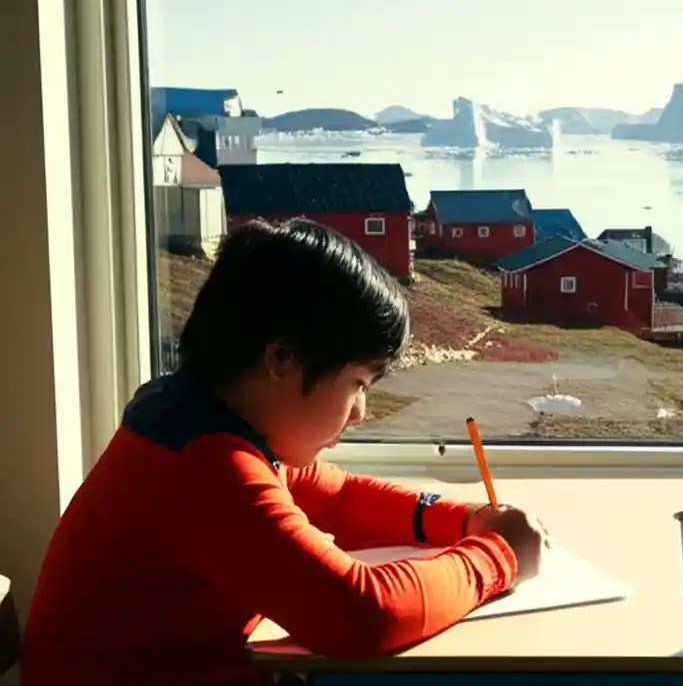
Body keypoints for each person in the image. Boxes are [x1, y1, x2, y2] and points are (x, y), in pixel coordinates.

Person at [21, 219, 547, 686]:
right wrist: (497, 557)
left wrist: (466, 520)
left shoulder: (196, 418)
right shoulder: (203, 466)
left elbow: (338, 497)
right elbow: (363, 615)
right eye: (358, 383)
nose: (359, 412)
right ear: (281, 358)